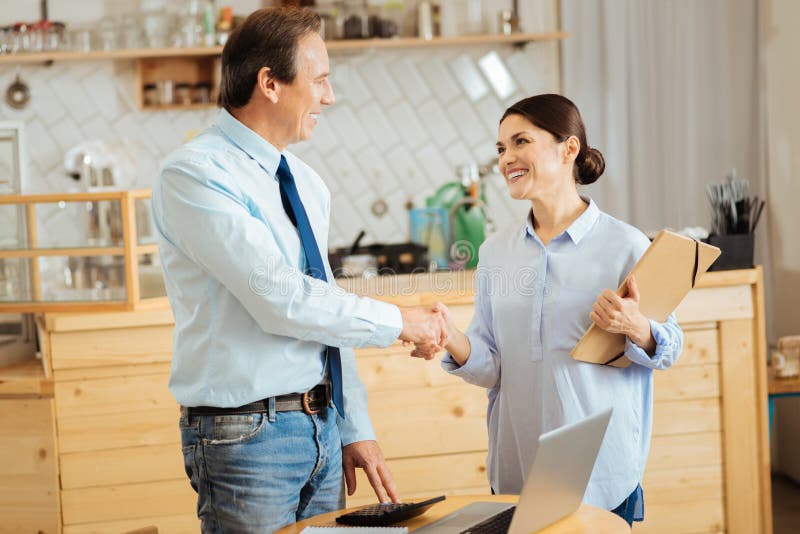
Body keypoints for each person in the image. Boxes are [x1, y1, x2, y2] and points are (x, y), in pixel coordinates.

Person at [151, 7, 446, 532]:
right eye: (320, 80)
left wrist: (354, 426)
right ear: (269, 83)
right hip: (245, 438)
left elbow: (322, 305)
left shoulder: (306, 183)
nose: (329, 97)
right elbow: (280, 297)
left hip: (322, 432)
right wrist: (403, 321)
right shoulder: (194, 174)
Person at [414, 94, 683, 527]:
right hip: (518, 471)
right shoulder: (495, 253)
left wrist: (636, 326)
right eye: (501, 149)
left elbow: (670, 348)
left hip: (604, 473)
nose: (507, 159)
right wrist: (451, 338)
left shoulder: (625, 244)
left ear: (569, 148)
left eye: (521, 142)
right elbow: (491, 368)